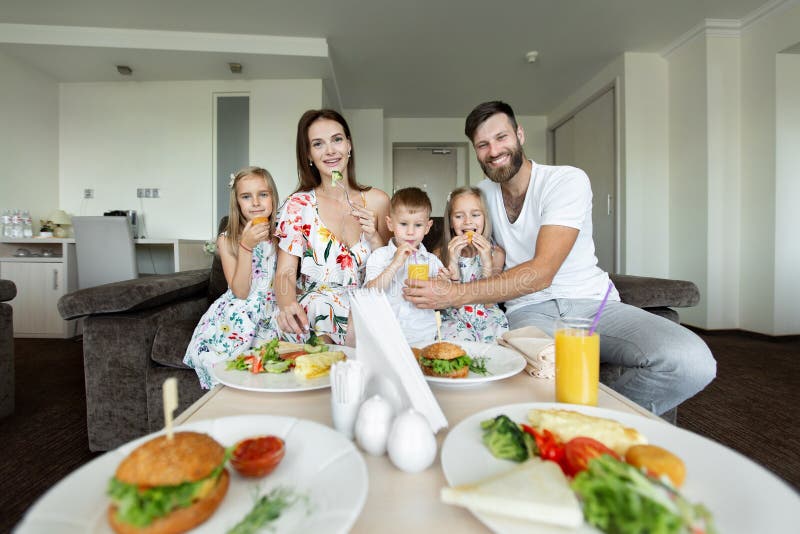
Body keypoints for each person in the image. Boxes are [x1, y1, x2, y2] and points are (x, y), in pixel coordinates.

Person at [404, 101, 716, 416]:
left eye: (501, 137)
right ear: (476, 152)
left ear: (520, 134)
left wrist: (453, 294)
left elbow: (542, 272)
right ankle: (577, 422)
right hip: (528, 312)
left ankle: (590, 421)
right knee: (530, 382)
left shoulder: (566, 181)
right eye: (483, 144)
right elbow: (454, 239)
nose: (494, 150)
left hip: (593, 305)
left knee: (691, 363)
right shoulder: (481, 196)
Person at [275, 109, 391, 345]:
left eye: (337, 139)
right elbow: (285, 272)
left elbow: (388, 264)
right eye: (318, 144)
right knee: (320, 311)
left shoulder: (378, 201)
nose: (330, 151)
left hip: (365, 302)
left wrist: (375, 235)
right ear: (308, 154)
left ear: (349, 145)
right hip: (316, 305)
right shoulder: (297, 205)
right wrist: (287, 305)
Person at [183, 166, 280, 388]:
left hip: (273, 306)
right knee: (228, 351)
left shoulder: (281, 235)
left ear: (273, 198)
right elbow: (240, 292)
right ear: (237, 203)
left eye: (263, 194)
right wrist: (246, 247)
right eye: (246, 197)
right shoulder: (228, 240)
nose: (255, 203)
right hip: (242, 306)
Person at [364, 187, 445, 347]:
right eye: (403, 224)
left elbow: (444, 300)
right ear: (390, 224)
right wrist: (395, 264)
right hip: (386, 336)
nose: (410, 232)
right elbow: (369, 294)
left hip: (425, 336)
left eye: (418, 225)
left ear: (428, 227)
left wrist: (443, 283)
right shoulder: (379, 256)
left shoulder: (432, 261)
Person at [436, 186, 509, 343]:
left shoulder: (496, 254)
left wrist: (487, 263)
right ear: (450, 222)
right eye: (459, 216)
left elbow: (490, 301)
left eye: (475, 215)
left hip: (488, 315)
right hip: (454, 317)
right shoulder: (439, 254)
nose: (468, 222)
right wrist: (453, 263)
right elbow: (442, 303)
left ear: (485, 219)